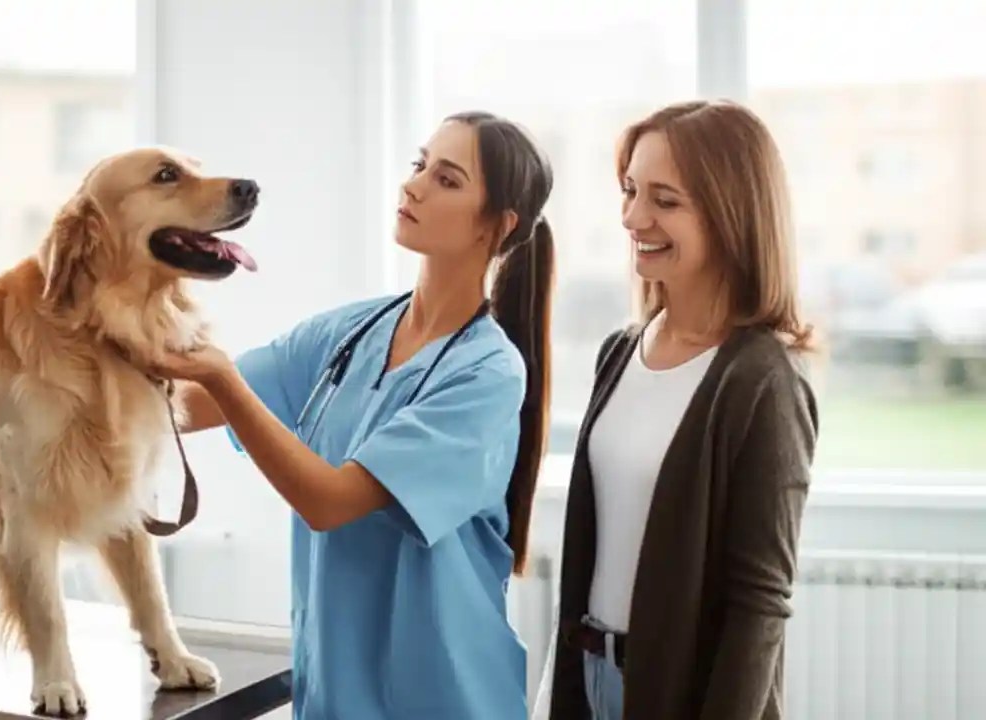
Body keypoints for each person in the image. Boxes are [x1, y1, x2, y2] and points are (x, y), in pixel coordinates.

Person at [150, 111, 555, 719]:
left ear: (497, 226)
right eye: (419, 164)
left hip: (444, 704)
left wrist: (218, 373)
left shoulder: (487, 374)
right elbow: (184, 406)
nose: (413, 185)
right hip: (336, 700)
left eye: (447, 179)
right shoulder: (349, 332)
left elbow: (330, 503)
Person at [532, 99, 819, 720]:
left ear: (731, 215)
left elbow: (759, 605)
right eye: (631, 190)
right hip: (589, 679)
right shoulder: (620, 351)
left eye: (665, 200)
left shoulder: (762, 379)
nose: (634, 216)